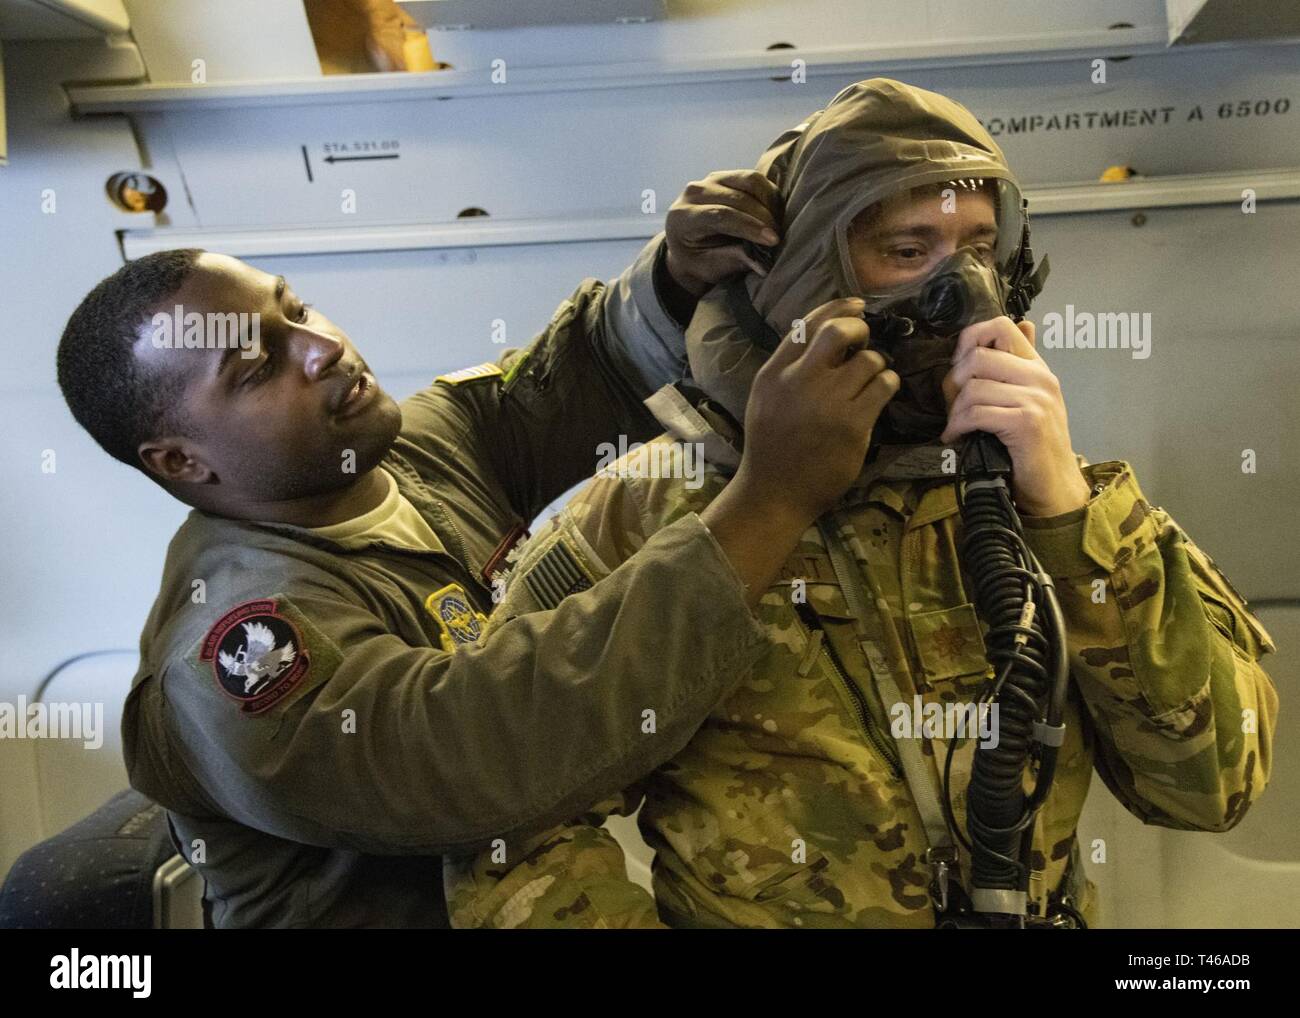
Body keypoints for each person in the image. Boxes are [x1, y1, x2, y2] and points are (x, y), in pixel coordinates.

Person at [443, 79, 1279, 929]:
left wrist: (1066, 509)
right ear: (808, 280)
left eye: (980, 249)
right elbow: (505, 820)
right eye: (908, 251)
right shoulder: (645, 508)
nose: (964, 292)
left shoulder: (1053, 493)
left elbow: (1213, 788)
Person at [54, 171, 891, 928]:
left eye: (295, 309)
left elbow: (571, 382)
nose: (321, 348)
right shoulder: (242, 653)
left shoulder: (412, 452)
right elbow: (480, 753)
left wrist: (678, 277)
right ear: (181, 461)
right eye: (258, 364)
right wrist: (772, 498)